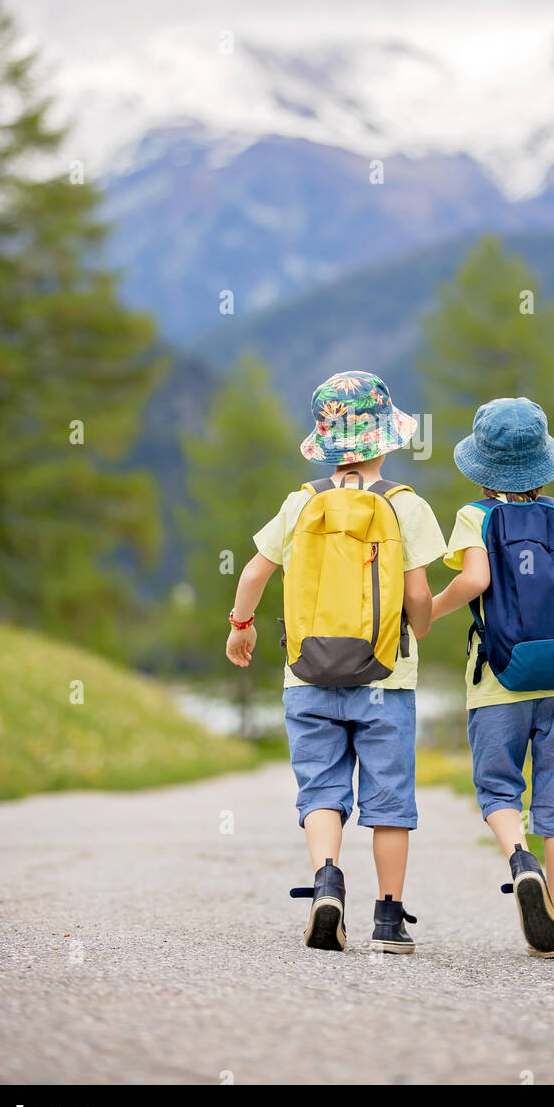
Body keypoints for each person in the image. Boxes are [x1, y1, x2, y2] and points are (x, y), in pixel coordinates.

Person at [226, 370, 446, 953]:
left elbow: (253, 573)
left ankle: (326, 881)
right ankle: (389, 918)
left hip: (307, 674)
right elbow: (419, 596)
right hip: (387, 677)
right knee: (389, 800)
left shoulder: (302, 501)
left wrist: (241, 628)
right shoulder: (406, 505)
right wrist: (417, 628)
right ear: (386, 440)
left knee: (321, 789)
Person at [430, 397, 554, 958]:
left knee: (498, 786)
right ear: (543, 466)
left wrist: (427, 614)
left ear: (482, 470)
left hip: (500, 678)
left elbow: (473, 582)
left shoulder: (478, 517)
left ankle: (520, 861)